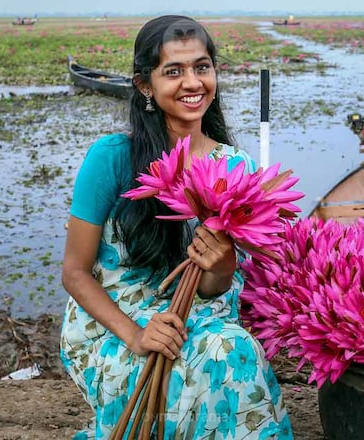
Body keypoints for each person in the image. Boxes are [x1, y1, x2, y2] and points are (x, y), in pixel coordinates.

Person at [59, 15, 293, 439]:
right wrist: (137, 335)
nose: (192, 83)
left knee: (233, 349)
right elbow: (74, 272)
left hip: (197, 317)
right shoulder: (112, 158)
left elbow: (213, 288)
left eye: (202, 67)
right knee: (205, 362)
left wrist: (222, 265)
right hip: (114, 326)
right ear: (145, 85)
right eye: (173, 71)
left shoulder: (236, 167)